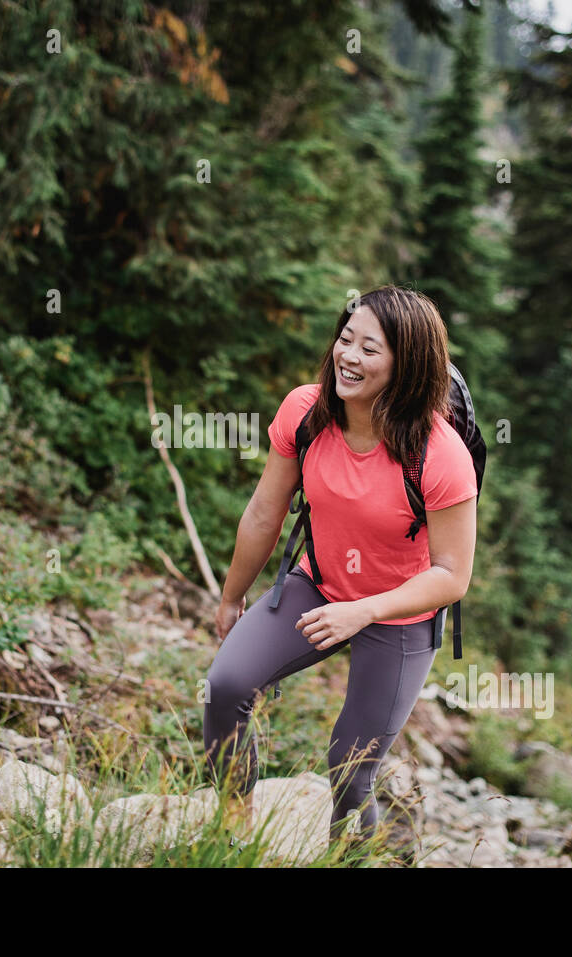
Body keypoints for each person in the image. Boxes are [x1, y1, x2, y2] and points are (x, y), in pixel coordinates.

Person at [203, 284, 478, 855]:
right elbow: (263, 513)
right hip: (319, 583)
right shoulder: (305, 411)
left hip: (401, 614)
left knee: (350, 766)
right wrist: (232, 597)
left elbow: (452, 575)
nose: (348, 357)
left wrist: (365, 611)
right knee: (225, 686)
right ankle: (232, 828)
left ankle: (361, 854)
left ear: (407, 366)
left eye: (370, 349)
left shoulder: (440, 453)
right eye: (344, 340)